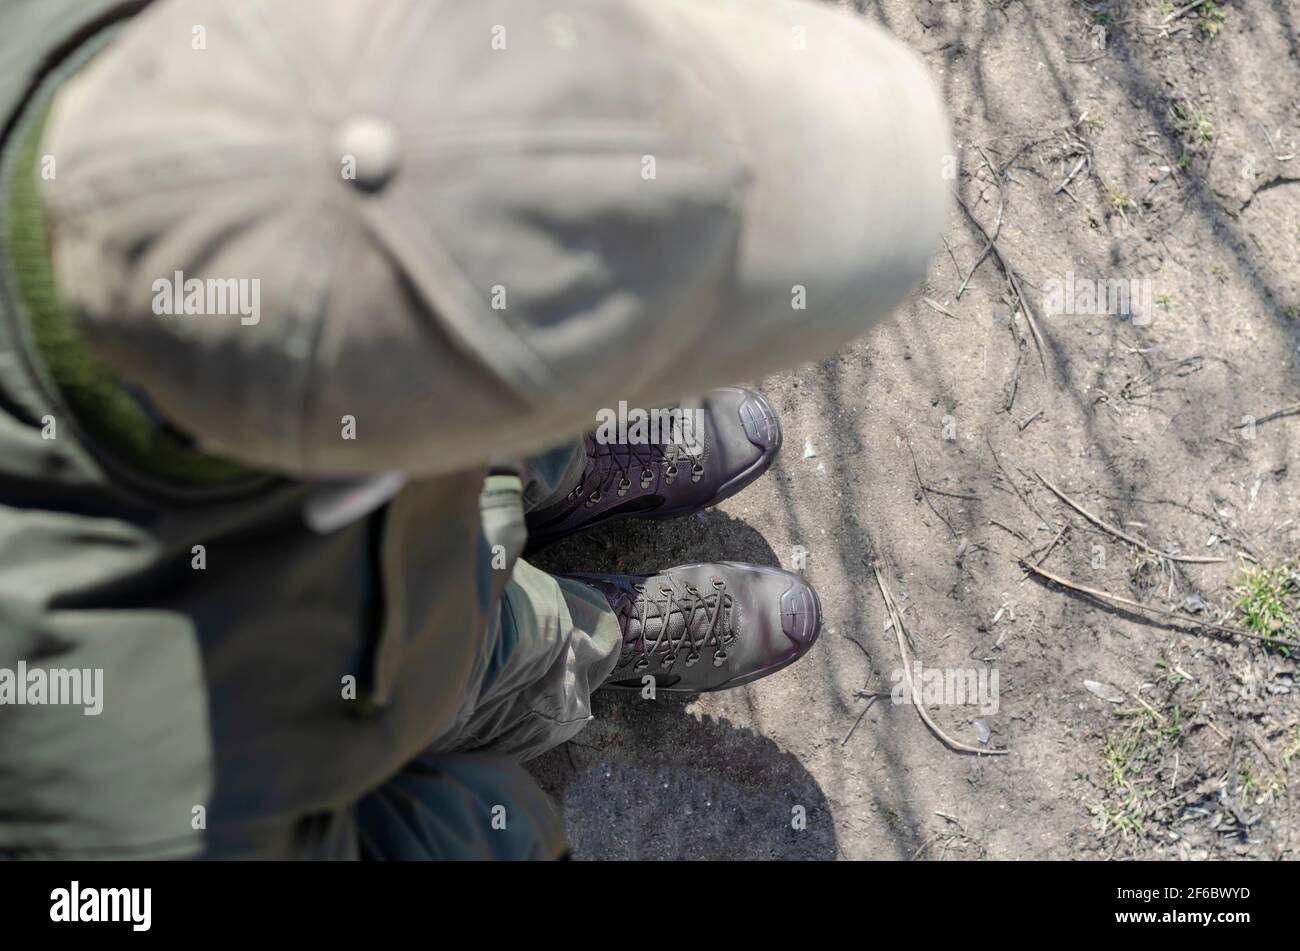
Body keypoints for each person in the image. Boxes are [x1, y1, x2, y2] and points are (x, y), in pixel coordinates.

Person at [0, 0, 949, 859]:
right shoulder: (153, 806)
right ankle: (583, 638)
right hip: (364, 660)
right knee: (469, 660)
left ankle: (538, 470)